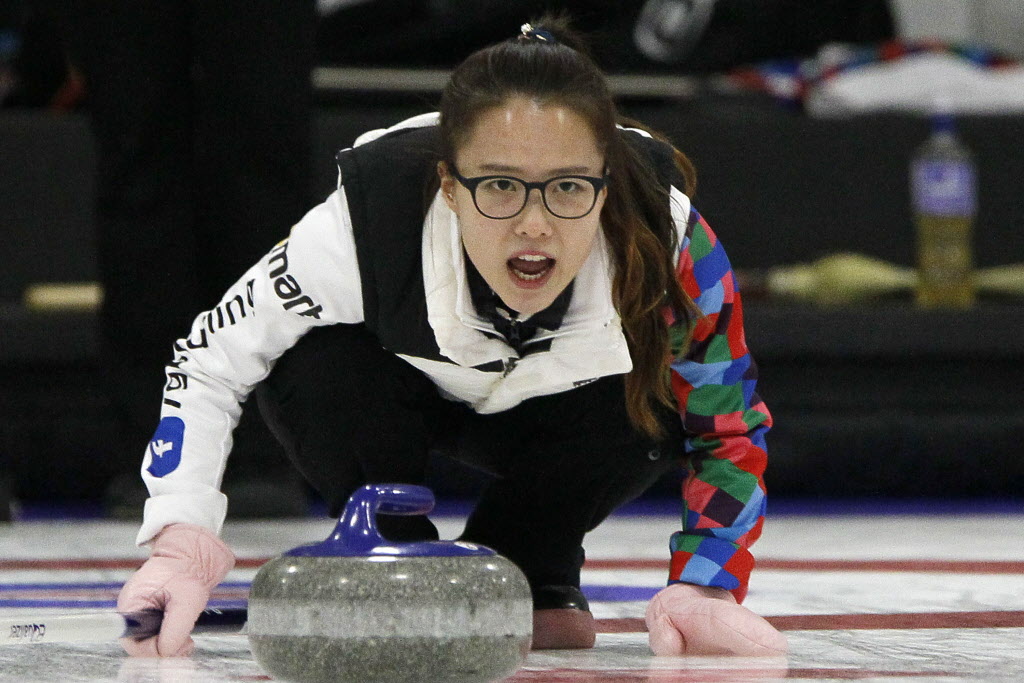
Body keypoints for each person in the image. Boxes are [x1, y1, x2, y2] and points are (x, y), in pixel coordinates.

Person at [116, 17, 787, 658]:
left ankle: (530, 558)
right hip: (399, 400)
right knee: (311, 364)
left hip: (573, 420)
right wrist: (182, 537)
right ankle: (387, 546)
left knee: (670, 396)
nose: (534, 224)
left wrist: (708, 581)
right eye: (499, 186)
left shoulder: (669, 238)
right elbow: (209, 358)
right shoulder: (362, 224)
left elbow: (728, 427)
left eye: (568, 188)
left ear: (607, 188)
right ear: (449, 185)